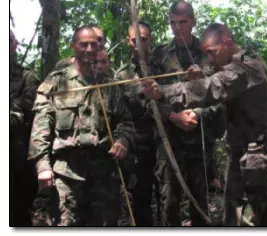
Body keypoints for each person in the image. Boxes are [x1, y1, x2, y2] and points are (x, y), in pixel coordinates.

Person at [143, 23, 267, 226]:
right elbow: (219, 91)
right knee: (237, 216)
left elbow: (212, 87)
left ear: (227, 42)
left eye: (212, 52)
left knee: (249, 221)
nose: (209, 58)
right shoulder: (242, 62)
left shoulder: (246, 68)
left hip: (257, 158)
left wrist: (162, 91)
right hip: (245, 155)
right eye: (205, 53)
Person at [28, 26, 135, 226]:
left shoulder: (109, 85)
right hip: (67, 174)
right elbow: (41, 126)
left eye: (94, 44)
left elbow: (125, 122)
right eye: (83, 44)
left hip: (103, 172)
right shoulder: (56, 83)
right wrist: (42, 165)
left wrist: (122, 140)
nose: (89, 49)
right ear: (73, 46)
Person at [152, 0, 226, 226]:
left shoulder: (208, 52)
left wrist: (196, 113)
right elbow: (149, 96)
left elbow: (222, 93)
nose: (177, 27)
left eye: (183, 22)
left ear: (192, 21)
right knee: (169, 199)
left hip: (200, 135)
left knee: (199, 196)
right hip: (169, 138)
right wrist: (172, 116)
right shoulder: (159, 54)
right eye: (173, 22)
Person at [114, 21, 159, 226]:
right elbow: (120, 116)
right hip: (139, 149)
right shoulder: (122, 75)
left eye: (144, 39)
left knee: (171, 201)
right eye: (135, 40)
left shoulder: (164, 65)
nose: (139, 45)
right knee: (141, 204)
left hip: (168, 146)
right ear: (128, 42)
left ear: (151, 39)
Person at [10, 30, 40, 226]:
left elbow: (22, 111)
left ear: (15, 45)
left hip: (16, 158)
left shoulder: (27, 77)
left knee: (18, 213)